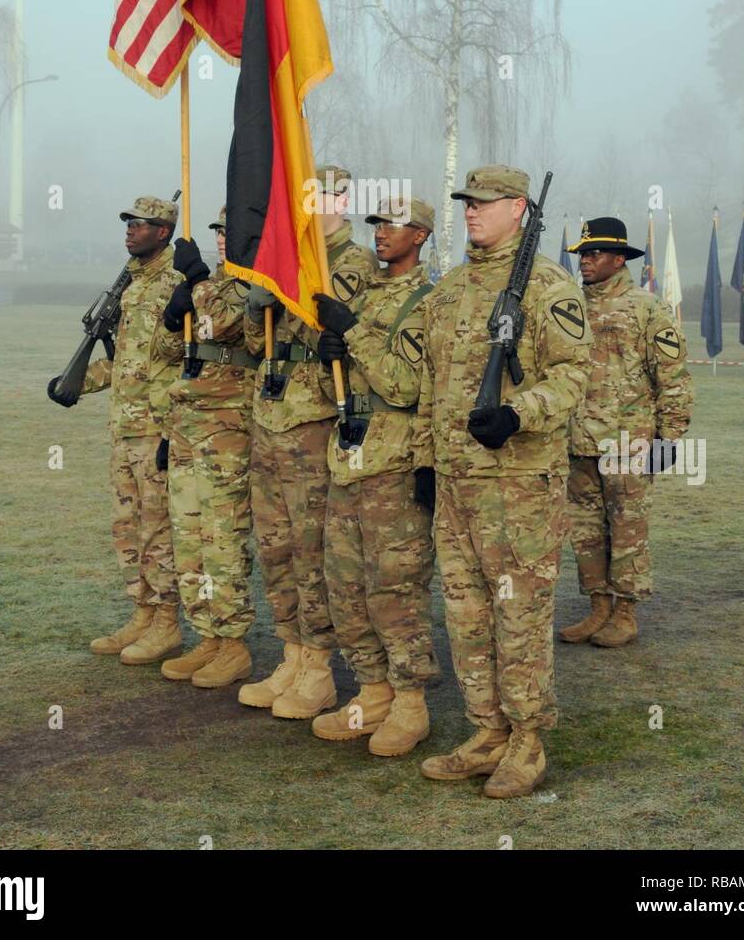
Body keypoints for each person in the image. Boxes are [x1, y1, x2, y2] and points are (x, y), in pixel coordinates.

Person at [414, 166, 592, 798]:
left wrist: (519, 413)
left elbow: (573, 377)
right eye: (466, 203)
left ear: (519, 208)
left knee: (518, 615)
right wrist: (424, 463)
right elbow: (430, 388)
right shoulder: (451, 288)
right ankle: (486, 731)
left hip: (517, 484)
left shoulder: (549, 288)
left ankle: (527, 740)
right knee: (464, 615)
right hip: (457, 483)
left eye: (484, 204)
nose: (470, 212)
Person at [239, 165, 377, 719]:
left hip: (316, 420)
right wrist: (258, 306)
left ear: (340, 199)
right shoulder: (284, 260)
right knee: (274, 549)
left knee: (311, 550)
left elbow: (349, 342)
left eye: (314, 198)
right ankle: (291, 653)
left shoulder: (355, 264)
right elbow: (259, 345)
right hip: (271, 416)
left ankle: (318, 666)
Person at [311, 195, 437, 757]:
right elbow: (333, 391)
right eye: (378, 224)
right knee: (345, 587)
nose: (382, 233)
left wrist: (353, 332)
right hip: (348, 456)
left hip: (392, 464)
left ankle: (411, 705)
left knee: (394, 588)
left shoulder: (426, 302)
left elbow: (404, 387)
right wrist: (327, 352)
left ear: (422, 236)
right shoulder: (362, 297)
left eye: (396, 225)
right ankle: (372, 691)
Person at [48, 197, 183, 665]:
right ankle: (141, 612)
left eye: (140, 224)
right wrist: (75, 384)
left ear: (163, 232)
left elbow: (178, 355)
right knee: (127, 526)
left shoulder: (176, 284)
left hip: (157, 427)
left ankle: (166, 621)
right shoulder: (129, 286)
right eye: (128, 222)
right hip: (124, 427)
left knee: (158, 529)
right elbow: (123, 362)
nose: (130, 230)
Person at [561, 217, 693, 648]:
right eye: (582, 253)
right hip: (577, 440)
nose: (586, 260)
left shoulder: (646, 308)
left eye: (595, 253)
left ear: (619, 259)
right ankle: (598, 606)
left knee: (627, 529)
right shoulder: (567, 306)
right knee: (585, 528)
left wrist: (669, 438)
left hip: (627, 441)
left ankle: (626, 612)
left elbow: (673, 376)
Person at [154, 206, 261, 687]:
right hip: (188, 424)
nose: (221, 238)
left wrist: (193, 282)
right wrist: (178, 307)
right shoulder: (210, 285)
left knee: (222, 537)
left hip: (227, 426)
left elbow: (223, 325)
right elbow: (171, 349)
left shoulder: (252, 284)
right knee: (189, 534)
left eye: (229, 231)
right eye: (217, 231)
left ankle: (233, 642)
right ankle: (208, 634)